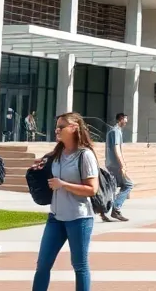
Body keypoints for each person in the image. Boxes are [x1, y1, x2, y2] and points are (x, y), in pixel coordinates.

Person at [30, 112, 99, 291]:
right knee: (43, 264)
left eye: (61, 127)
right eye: (56, 127)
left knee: (79, 265)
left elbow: (92, 189)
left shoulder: (85, 155)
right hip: (55, 217)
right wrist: (40, 168)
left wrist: (63, 185)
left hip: (79, 218)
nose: (57, 130)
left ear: (74, 128)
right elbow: (50, 173)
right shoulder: (57, 153)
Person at [104, 113, 132, 222]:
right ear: (120, 119)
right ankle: (115, 209)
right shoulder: (115, 131)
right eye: (125, 119)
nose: (126, 121)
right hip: (115, 164)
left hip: (110, 163)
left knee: (113, 187)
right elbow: (117, 149)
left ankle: (103, 209)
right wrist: (122, 165)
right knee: (128, 184)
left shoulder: (113, 131)